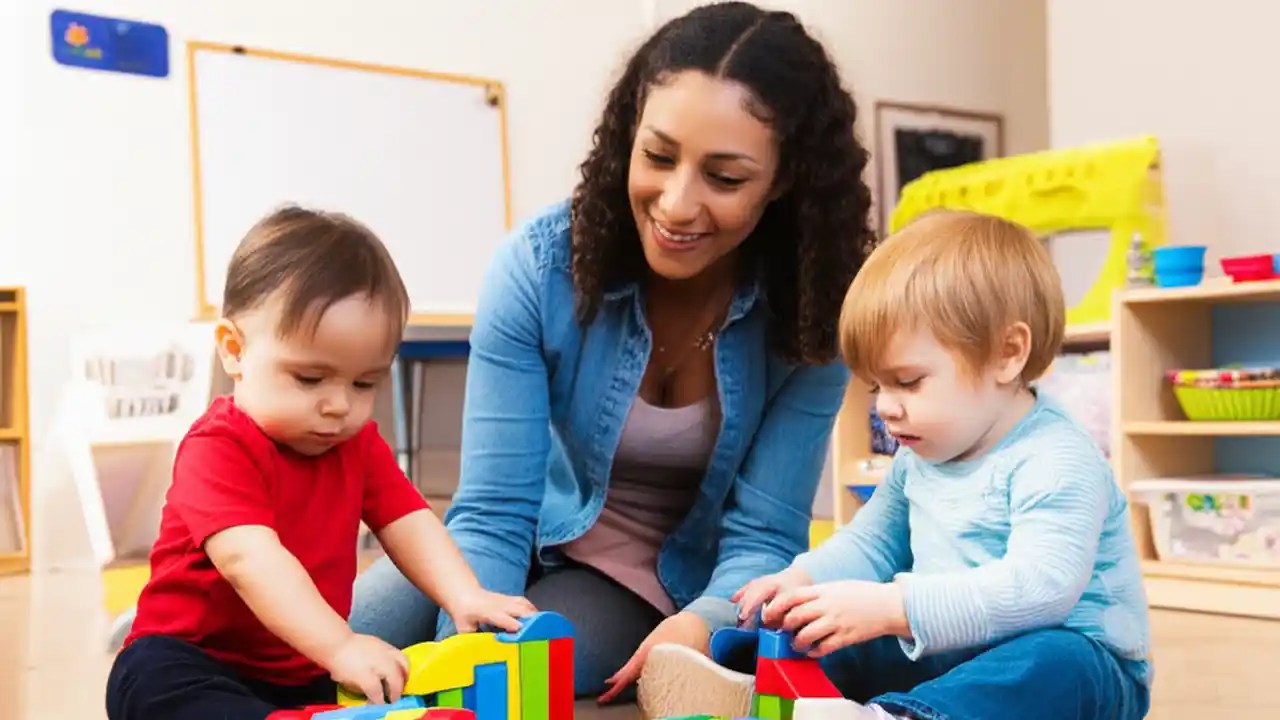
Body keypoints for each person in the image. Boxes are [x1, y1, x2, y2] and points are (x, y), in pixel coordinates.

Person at [348, 0, 875, 704]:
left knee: (511, 676)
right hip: (525, 536)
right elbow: (493, 511)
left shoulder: (814, 318)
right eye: (658, 156)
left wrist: (703, 627)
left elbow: (764, 535)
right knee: (339, 633)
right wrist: (466, 644)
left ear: (783, 182)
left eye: (724, 178)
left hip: (665, 585)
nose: (677, 204)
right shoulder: (539, 268)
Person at [640, 211, 1153, 720]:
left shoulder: (1056, 459)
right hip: (944, 653)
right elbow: (873, 543)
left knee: (1056, 661)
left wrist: (891, 608)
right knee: (831, 628)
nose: (884, 406)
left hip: (1080, 676)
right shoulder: (922, 456)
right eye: (876, 385)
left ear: (1007, 354)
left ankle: (903, 716)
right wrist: (803, 578)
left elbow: (1041, 592)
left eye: (908, 382)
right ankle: (755, 686)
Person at [105, 207, 535, 720]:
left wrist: (464, 594)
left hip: (300, 668)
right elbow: (250, 561)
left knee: (365, 688)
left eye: (363, 383)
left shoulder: (356, 445)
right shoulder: (218, 447)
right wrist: (341, 646)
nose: (338, 406)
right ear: (234, 350)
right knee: (156, 691)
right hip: (191, 658)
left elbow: (410, 521)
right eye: (310, 379)